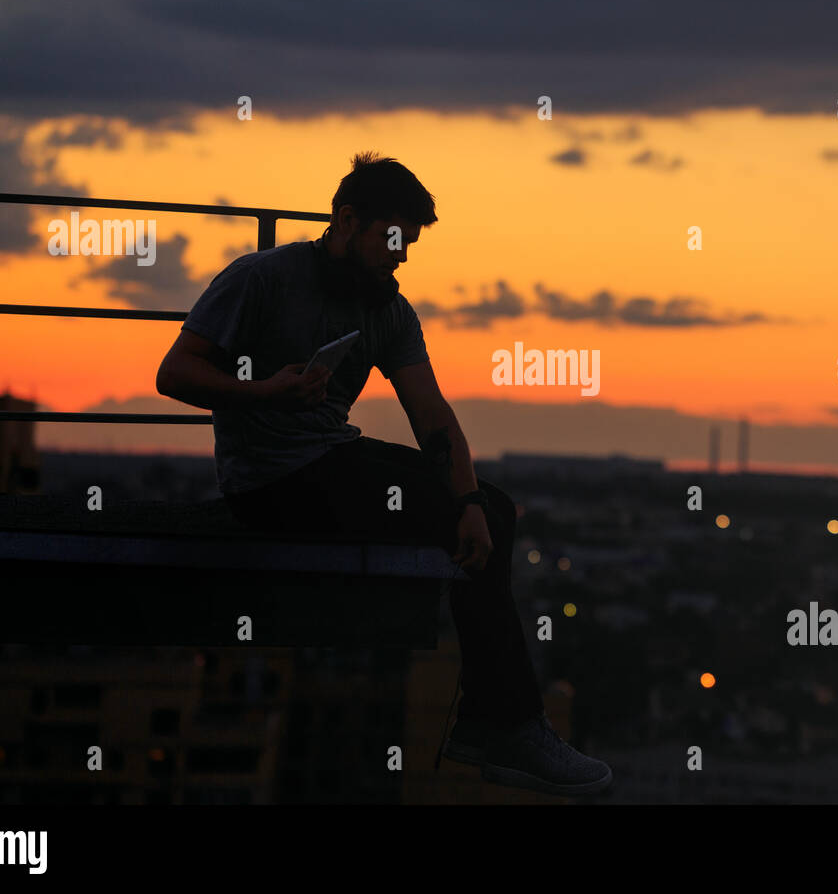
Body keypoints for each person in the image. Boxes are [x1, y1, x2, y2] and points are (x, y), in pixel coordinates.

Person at [155, 151, 612, 797]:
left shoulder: (387, 311)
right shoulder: (260, 278)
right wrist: (263, 394)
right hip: (268, 483)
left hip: (331, 459)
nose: (400, 255)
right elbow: (173, 374)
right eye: (391, 238)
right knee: (466, 512)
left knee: (496, 510)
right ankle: (503, 724)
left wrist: (471, 500)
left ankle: (500, 722)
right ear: (345, 220)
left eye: (410, 243)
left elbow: (433, 418)